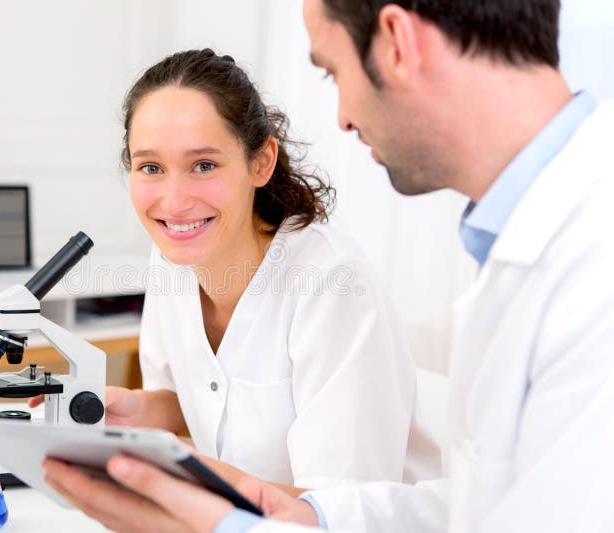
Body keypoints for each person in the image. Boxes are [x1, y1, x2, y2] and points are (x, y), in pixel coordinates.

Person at [41, 0, 614, 532]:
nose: (341, 118)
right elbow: (473, 508)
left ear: (396, 41)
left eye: (332, 71)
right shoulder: (520, 243)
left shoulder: (587, 265)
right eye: (150, 167)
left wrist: (218, 519)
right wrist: (175, 443)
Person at [37, 48, 440, 495]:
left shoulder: (332, 285)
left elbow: (339, 509)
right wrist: (139, 411)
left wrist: (188, 497)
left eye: (204, 165)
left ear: (261, 163)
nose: (174, 201)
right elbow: (204, 402)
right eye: (151, 167)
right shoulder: (172, 261)